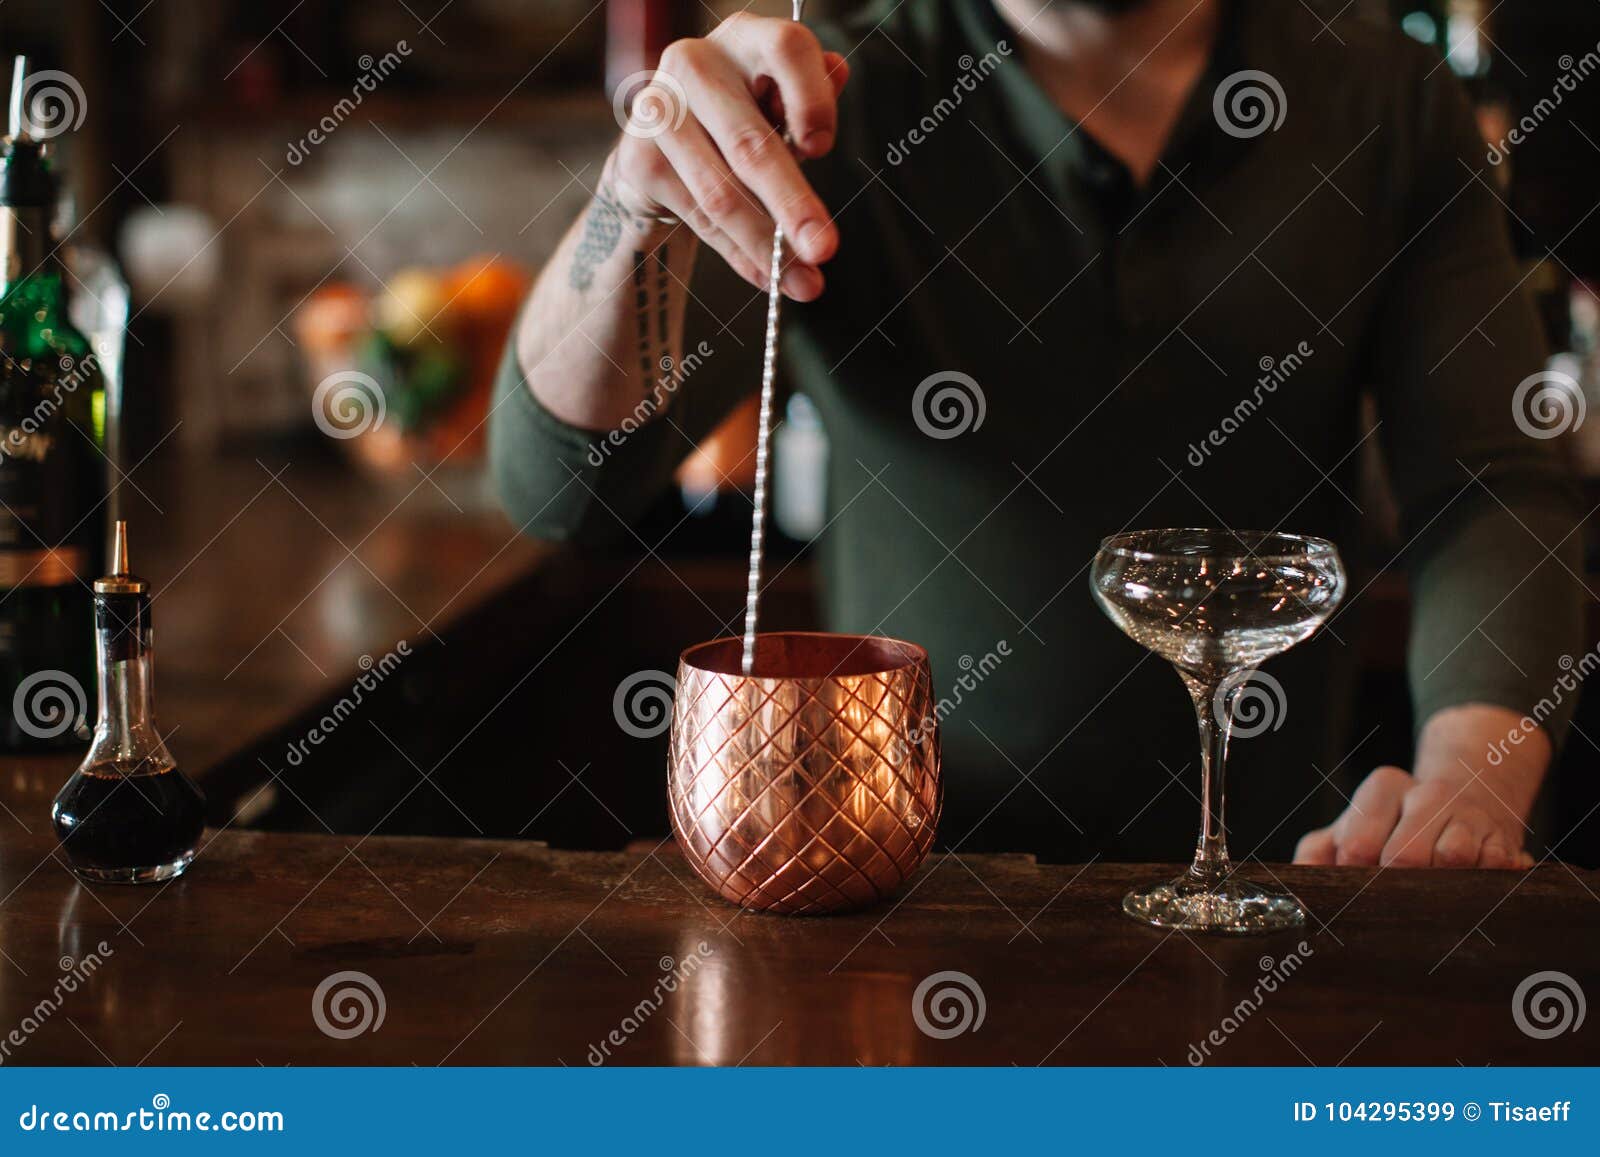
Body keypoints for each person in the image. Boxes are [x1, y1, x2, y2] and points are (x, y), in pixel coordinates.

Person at [490, 0, 1585, 868]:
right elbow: (563, 489)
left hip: (1275, 886)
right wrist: (635, 206)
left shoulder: (1384, 94)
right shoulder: (831, 98)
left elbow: (1490, 486)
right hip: (907, 901)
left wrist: (1469, 778)